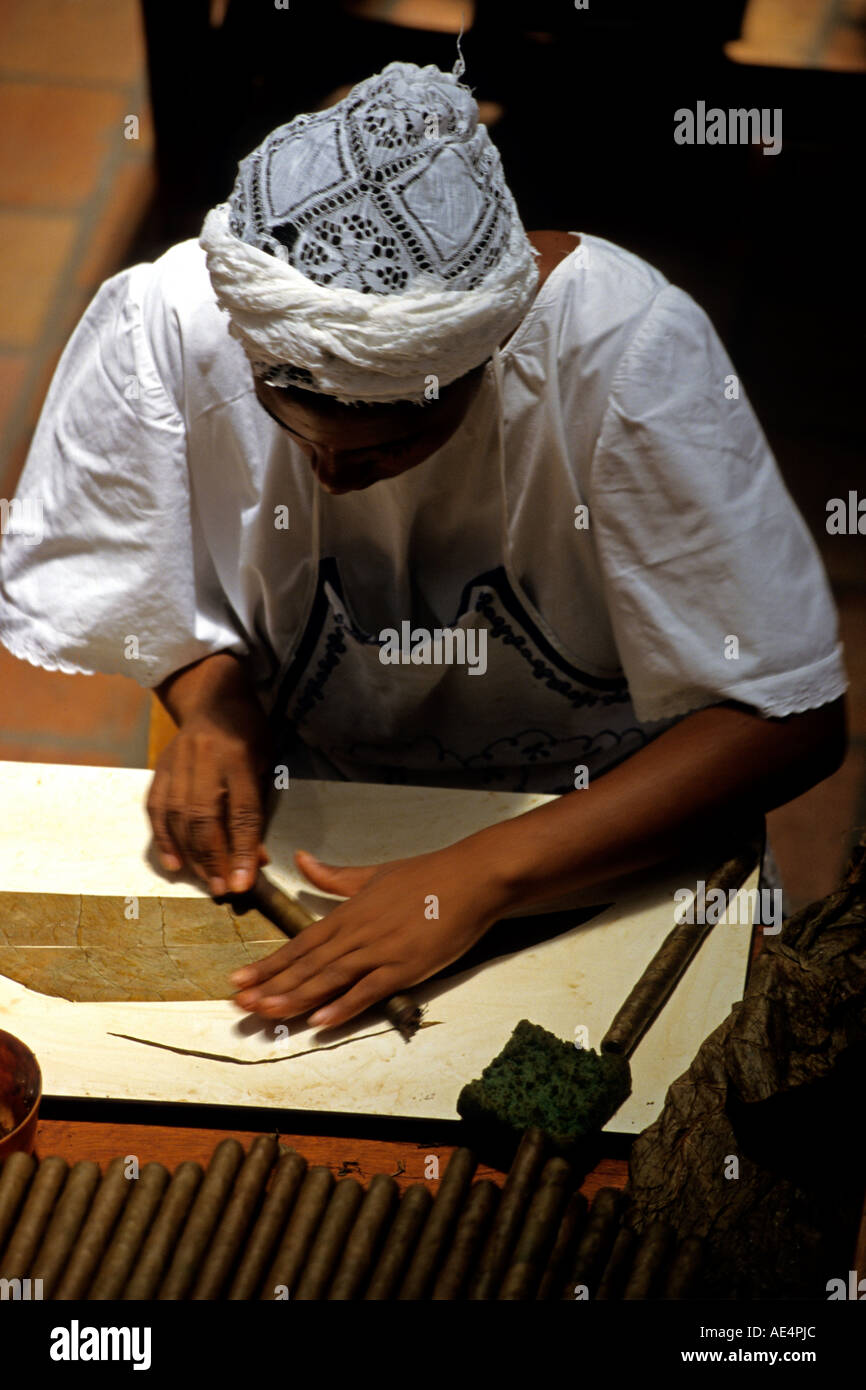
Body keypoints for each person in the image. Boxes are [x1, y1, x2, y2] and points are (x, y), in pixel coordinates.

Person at [0, 61, 847, 1032]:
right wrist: (213, 700)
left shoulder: (625, 358)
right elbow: (144, 588)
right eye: (292, 430)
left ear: (482, 361)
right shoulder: (183, 321)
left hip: (595, 829)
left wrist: (476, 877)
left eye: (386, 445)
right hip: (322, 808)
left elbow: (787, 721)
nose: (329, 478)